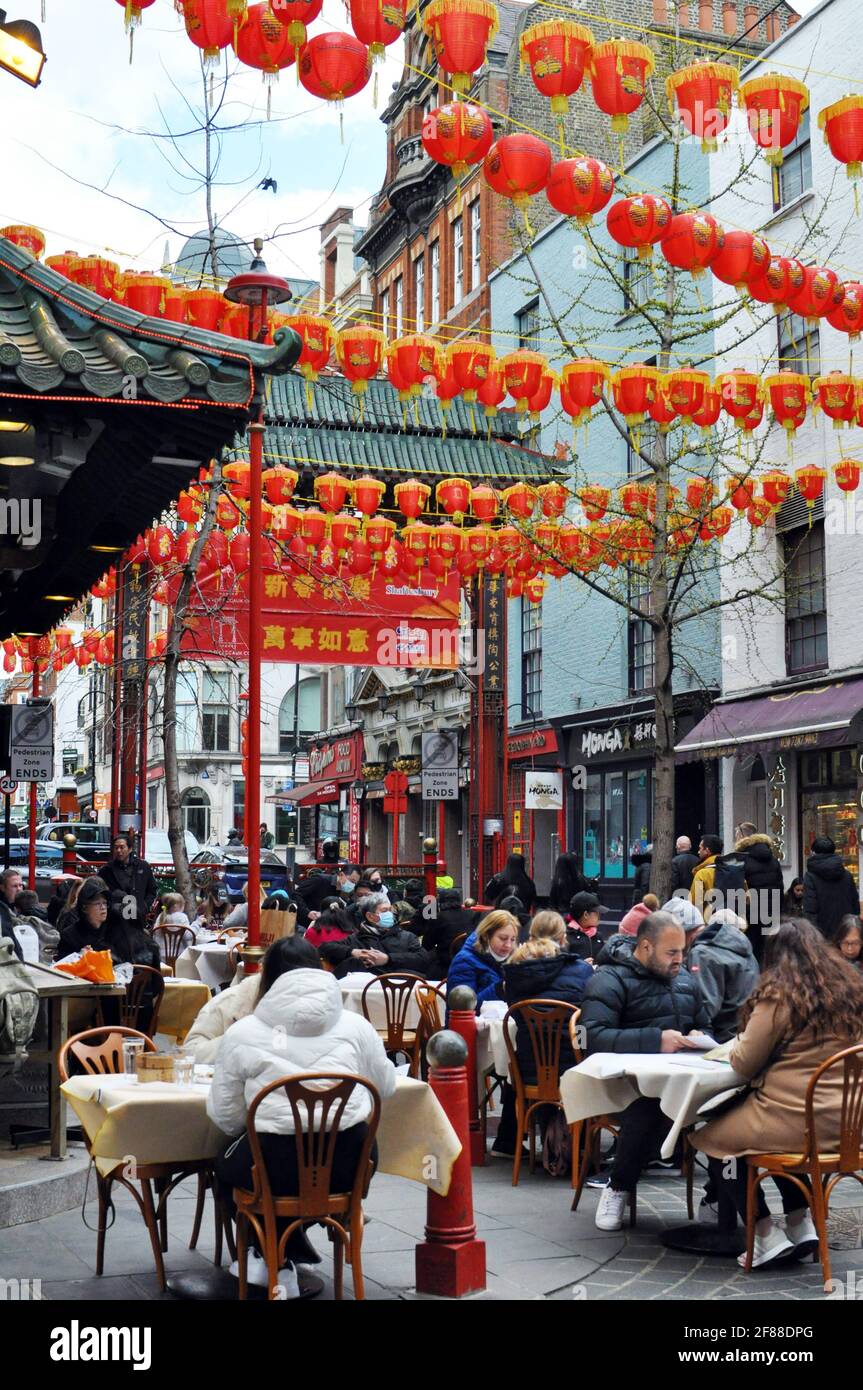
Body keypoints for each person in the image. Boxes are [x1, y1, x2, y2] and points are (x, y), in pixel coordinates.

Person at [208, 936, 396, 1293]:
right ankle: (287, 1249)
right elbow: (384, 1087)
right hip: (349, 1165)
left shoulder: (243, 1032)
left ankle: (268, 1257)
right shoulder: (357, 1026)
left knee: (224, 1164)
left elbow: (227, 1116)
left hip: (275, 1169)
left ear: (267, 979)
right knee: (262, 1161)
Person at [691, 920, 863, 1269]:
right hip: (846, 1127)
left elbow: (743, 1062)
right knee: (787, 1138)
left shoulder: (780, 996)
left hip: (790, 1119)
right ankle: (801, 1222)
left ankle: (764, 1232)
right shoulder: (852, 993)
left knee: (712, 1142)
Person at [579, 912, 711, 1231]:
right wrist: (656, 1040)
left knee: (728, 1106)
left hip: (680, 1080)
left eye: (683, 951)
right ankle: (618, 1187)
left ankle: (721, 1196)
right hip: (623, 1084)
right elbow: (591, 1036)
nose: (680, 959)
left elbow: (704, 1023)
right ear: (646, 946)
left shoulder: (684, 981)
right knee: (648, 1106)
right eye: (672, 952)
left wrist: (698, 1035)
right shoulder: (609, 979)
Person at [502, 937, 593, 1080]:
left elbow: (516, 1017)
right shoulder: (580, 971)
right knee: (583, 1028)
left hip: (529, 1073)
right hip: (574, 1070)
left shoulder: (515, 978)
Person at [686, 907, 759, 1044]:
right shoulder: (749, 954)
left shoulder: (703, 953)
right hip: (746, 1034)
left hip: (718, 1038)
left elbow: (705, 1006)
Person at [320, 892, 433, 978]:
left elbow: (423, 959)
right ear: (370, 916)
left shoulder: (406, 937)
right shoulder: (356, 939)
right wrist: (353, 952)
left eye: (390, 910)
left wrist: (388, 959)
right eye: (384, 910)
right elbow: (324, 948)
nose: (390, 914)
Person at [447, 910, 520, 1011]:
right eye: (503, 938)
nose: (508, 945)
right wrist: (500, 988)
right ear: (486, 936)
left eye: (512, 939)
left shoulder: (509, 960)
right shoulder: (464, 961)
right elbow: (463, 1008)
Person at [733, 824, 784, 961]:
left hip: (750, 914)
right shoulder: (773, 860)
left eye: (736, 835)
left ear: (742, 837)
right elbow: (779, 888)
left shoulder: (740, 860)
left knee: (751, 953)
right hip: (772, 912)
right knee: (769, 953)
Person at [802, 835, 860, 939]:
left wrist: (813, 937)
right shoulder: (847, 875)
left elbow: (810, 910)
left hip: (821, 935)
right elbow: (855, 907)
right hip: (846, 932)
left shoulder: (810, 876)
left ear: (813, 853)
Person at [100, 834, 159, 928]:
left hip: (138, 914)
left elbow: (152, 890)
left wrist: (144, 906)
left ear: (130, 849)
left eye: (122, 847)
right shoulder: (107, 869)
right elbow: (100, 890)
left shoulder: (143, 866)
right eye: (116, 848)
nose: (119, 851)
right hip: (115, 916)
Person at [418, 887, 477, 979]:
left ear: (441, 902)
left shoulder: (438, 917)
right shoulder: (472, 914)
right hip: (471, 959)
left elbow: (427, 945)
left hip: (446, 963)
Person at [294, 864, 360, 928]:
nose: (352, 885)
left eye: (355, 883)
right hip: (303, 925)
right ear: (341, 874)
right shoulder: (320, 879)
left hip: (322, 927)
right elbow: (296, 894)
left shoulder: (342, 891)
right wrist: (307, 912)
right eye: (352, 881)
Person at [689, 835, 724, 921]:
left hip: (710, 922)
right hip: (732, 922)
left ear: (707, 850)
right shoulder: (733, 869)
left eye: (700, 848)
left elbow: (695, 903)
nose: (698, 852)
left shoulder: (702, 874)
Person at [566, 891, 605, 963]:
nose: (599, 915)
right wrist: (581, 967)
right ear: (586, 914)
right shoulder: (566, 938)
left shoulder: (598, 936)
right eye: (596, 912)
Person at [0, 869, 23, 960]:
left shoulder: (20, 905)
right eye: (14, 886)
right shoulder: (3, 909)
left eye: (20, 885)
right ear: (2, 888)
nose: (19, 889)